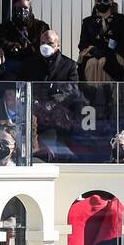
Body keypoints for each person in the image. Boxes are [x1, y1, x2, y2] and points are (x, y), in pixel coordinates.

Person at [21, 29, 83, 162]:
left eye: (50, 43)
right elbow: (23, 85)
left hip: (59, 113)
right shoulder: (30, 63)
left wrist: (53, 102)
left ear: (58, 45)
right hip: (36, 112)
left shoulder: (69, 65)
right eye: (42, 43)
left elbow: (73, 89)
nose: (45, 46)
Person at [77, 0, 124, 83]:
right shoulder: (87, 22)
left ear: (111, 1)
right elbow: (82, 43)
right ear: (95, 1)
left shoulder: (119, 19)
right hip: (92, 56)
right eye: (99, 1)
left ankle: (109, 95)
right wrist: (93, 50)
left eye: (105, 1)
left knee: (103, 62)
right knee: (93, 63)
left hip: (113, 56)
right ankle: (92, 94)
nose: (102, 3)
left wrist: (108, 54)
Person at [0, 0, 48, 69]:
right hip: (13, 61)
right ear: (14, 10)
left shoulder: (41, 26)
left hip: (35, 60)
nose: (22, 11)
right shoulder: (6, 26)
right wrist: (12, 46)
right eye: (19, 8)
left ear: (30, 9)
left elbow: (46, 41)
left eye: (25, 8)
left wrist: (30, 49)